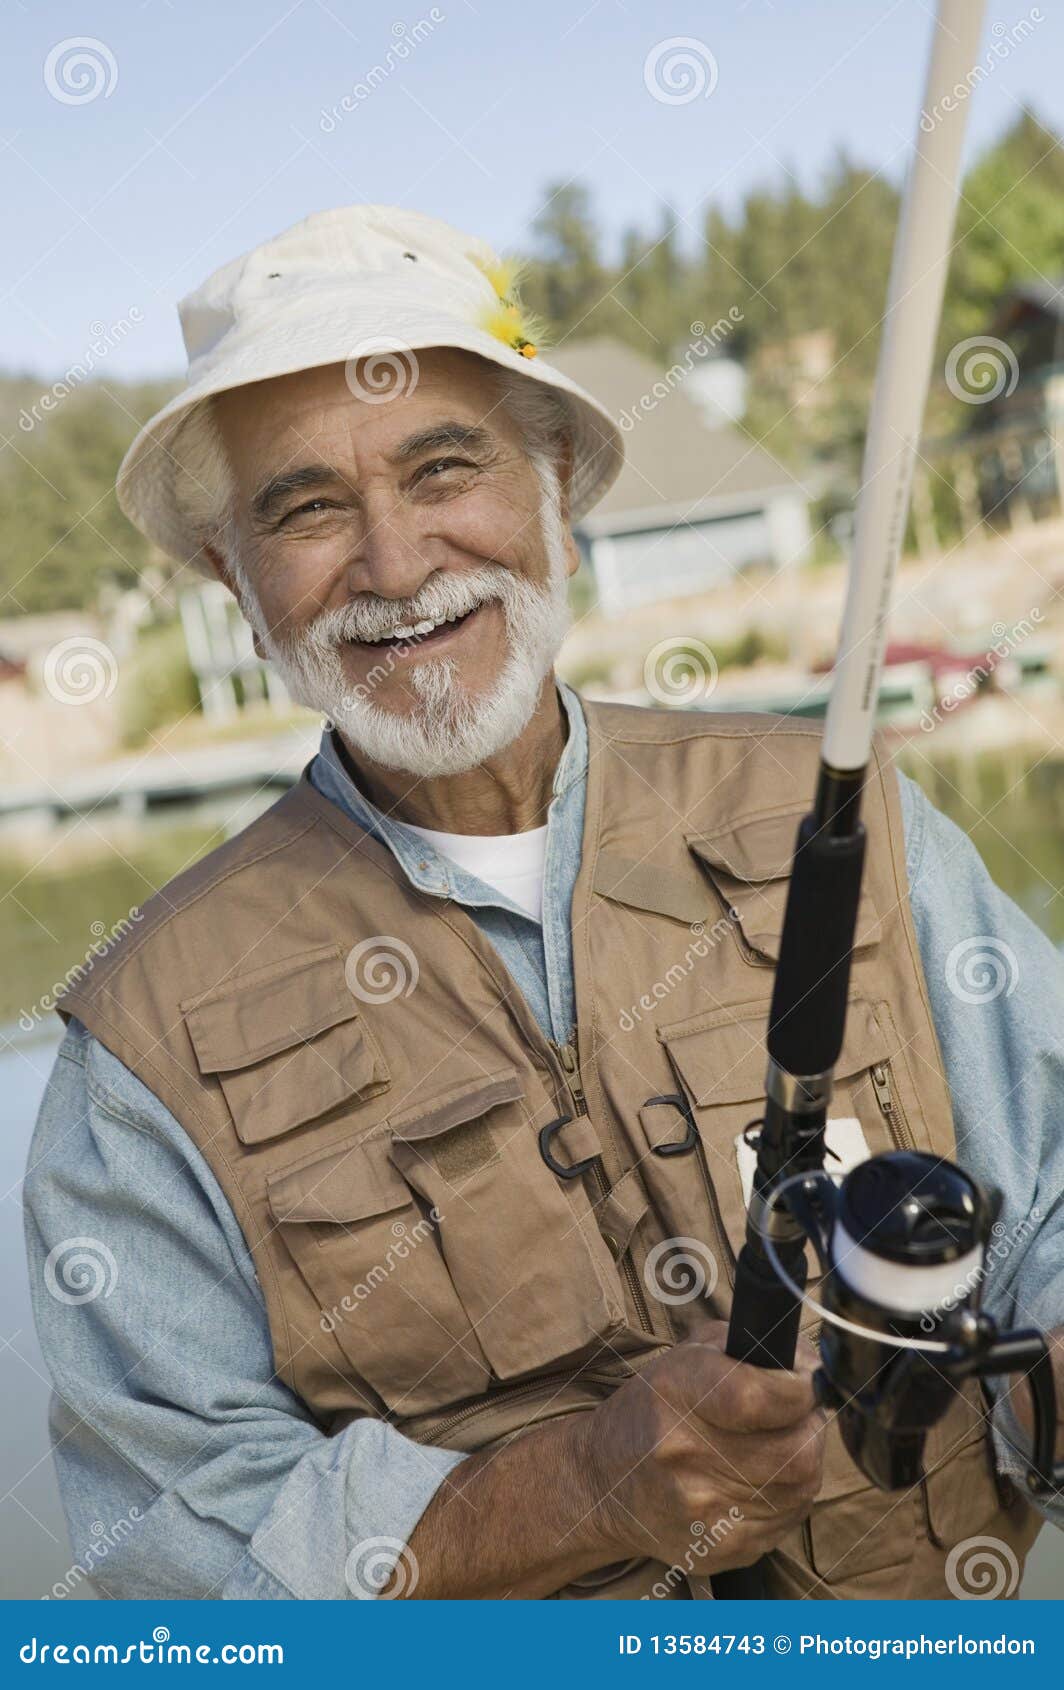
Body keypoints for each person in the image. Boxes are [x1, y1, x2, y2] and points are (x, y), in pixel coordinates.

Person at [25, 205, 1063, 1600]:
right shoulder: (137, 1041)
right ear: (232, 573)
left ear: (556, 476)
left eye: (442, 467)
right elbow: (167, 1534)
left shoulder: (852, 816)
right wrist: (571, 1494)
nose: (396, 564)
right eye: (308, 507)